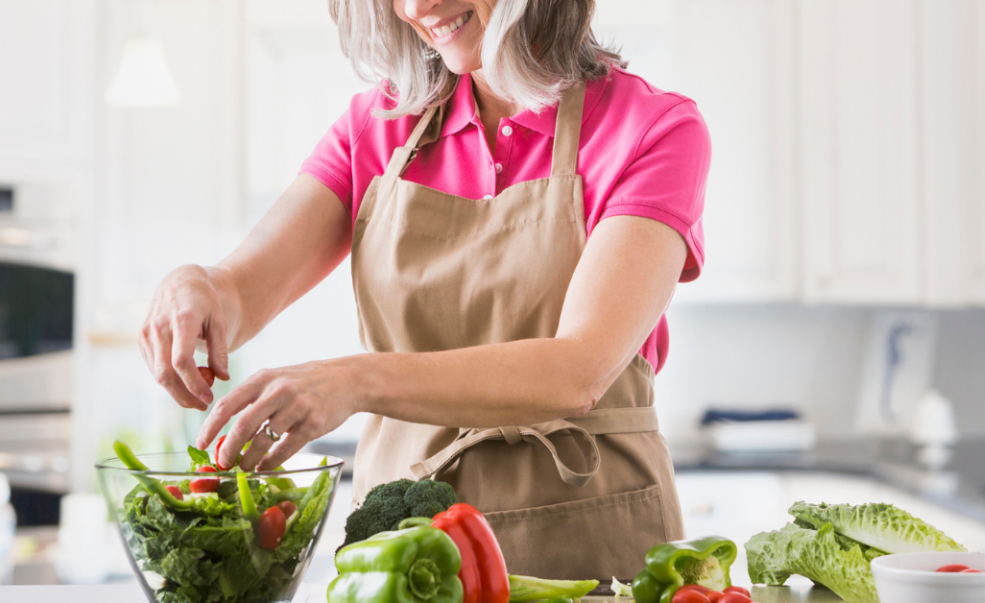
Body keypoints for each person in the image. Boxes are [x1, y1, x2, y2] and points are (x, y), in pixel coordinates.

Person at [139, 0, 709, 580]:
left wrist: (355, 380)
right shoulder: (380, 123)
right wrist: (198, 286)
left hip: (591, 540)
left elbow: (578, 369)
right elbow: (242, 289)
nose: (415, 7)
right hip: (403, 555)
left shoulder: (652, 130)